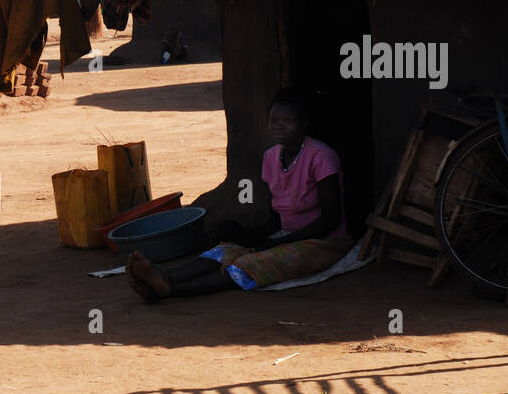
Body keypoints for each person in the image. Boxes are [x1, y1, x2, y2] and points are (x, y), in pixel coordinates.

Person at [128, 89, 352, 301]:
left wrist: (280, 243)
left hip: (324, 242)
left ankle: (171, 290)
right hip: (287, 235)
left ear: (305, 124)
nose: (278, 127)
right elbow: (275, 215)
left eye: (287, 121)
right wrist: (251, 236)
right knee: (226, 251)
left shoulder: (321, 157)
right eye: (274, 120)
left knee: (256, 263)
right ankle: (166, 276)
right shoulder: (271, 157)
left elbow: (329, 220)